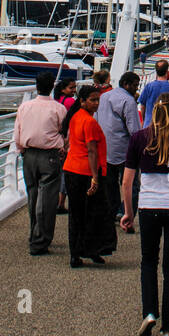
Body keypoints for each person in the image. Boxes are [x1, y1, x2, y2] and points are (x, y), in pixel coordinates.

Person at [122, 93, 169, 336]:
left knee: (148, 262)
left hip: (148, 207)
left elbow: (127, 182)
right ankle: (168, 329)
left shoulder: (139, 138)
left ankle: (150, 312)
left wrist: (128, 213)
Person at [12, 71, 67, 256]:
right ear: (52, 86)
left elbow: (17, 131)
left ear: (36, 86)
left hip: (28, 154)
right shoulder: (58, 109)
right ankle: (40, 240)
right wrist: (62, 147)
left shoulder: (24, 107)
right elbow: (64, 132)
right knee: (47, 199)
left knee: (33, 195)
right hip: (49, 155)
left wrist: (21, 149)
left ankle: (33, 232)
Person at [62, 84, 114, 267]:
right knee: (95, 214)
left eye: (97, 99)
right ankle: (91, 250)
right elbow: (92, 151)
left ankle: (77, 254)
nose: (96, 103)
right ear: (82, 101)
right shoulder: (90, 122)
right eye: (92, 100)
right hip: (85, 172)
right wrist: (95, 177)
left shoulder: (76, 117)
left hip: (71, 170)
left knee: (77, 214)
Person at [96, 70, 141, 223]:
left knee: (110, 184)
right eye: (135, 86)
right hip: (124, 149)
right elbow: (134, 130)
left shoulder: (104, 97)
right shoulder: (128, 101)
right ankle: (127, 214)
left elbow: (97, 119)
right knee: (131, 184)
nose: (136, 89)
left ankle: (112, 211)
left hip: (105, 149)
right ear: (126, 84)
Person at [53, 76, 77, 212]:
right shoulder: (70, 102)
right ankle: (61, 203)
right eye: (71, 88)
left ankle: (54, 201)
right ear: (63, 89)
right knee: (64, 172)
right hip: (67, 139)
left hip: (55, 140)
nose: (74, 90)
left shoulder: (56, 101)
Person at [138, 59, 169, 125]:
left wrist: (143, 120)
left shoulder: (149, 86)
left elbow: (142, 106)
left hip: (149, 124)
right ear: (167, 71)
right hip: (166, 125)